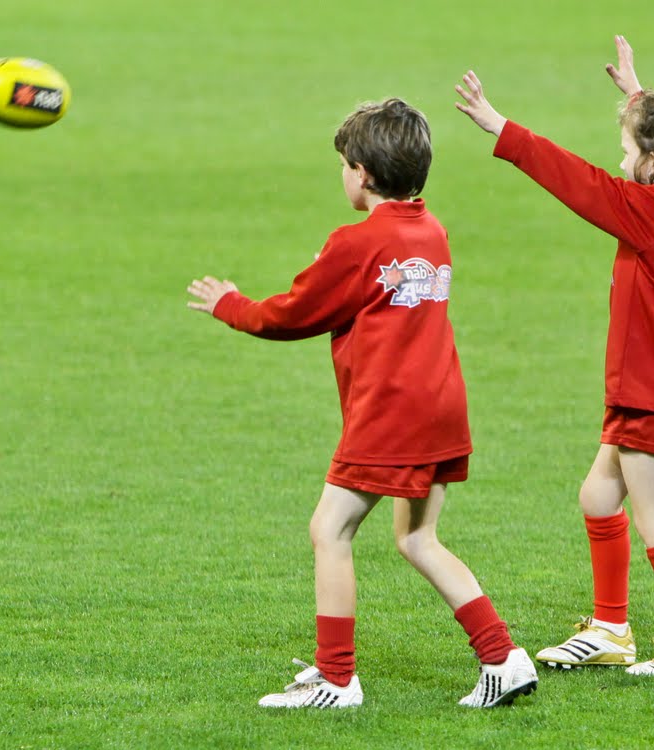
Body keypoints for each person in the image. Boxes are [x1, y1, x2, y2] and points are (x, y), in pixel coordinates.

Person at [187, 98, 538, 709]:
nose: (343, 174)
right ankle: (503, 659)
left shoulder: (358, 242)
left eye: (344, 164)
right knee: (418, 539)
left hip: (391, 414)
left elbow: (292, 314)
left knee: (330, 528)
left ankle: (336, 677)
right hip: (441, 408)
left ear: (363, 173)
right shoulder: (432, 230)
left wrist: (231, 305)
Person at [454, 36, 654, 676]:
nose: (621, 159)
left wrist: (500, 125)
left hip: (652, 388)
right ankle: (611, 628)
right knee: (598, 498)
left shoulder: (649, 215)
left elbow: (574, 180)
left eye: (630, 151)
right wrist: (637, 95)